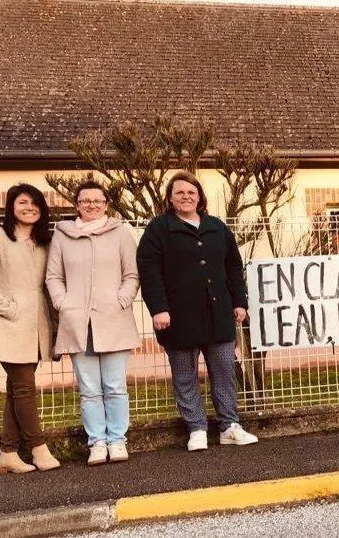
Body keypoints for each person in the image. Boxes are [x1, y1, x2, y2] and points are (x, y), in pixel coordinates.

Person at [136, 171, 258, 451]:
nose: (186, 197)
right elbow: (149, 271)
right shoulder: (158, 230)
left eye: (191, 192)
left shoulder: (217, 227)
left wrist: (239, 302)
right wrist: (159, 309)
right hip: (178, 318)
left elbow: (233, 266)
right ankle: (197, 428)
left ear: (200, 197)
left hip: (219, 315)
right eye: (179, 192)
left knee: (225, 371)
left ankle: (229, 426)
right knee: (185, 375)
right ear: (170, 198)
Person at [46, 181, 141, 465]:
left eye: (97, 200)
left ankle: (118, 440)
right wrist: (63, 303)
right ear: (77, 205)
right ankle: (97, 442)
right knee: (89, 390)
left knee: (115, 386)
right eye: (85, 200)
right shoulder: (62, 235)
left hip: (113, 320)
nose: (91, 205)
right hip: (77, 322)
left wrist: (121, 300)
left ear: (106, 204)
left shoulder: (120, 233)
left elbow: (132, 274)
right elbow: (53, 276)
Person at [0, 184, 61, 473]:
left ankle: (8, 452)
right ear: (11, 206)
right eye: (23, 202)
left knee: (16, 388)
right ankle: (38, 448)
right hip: (7, 323)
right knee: (24, 387)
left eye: (35, 203)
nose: (29, 208)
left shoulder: (43, 242)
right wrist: (9, 308)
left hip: (36, 326)